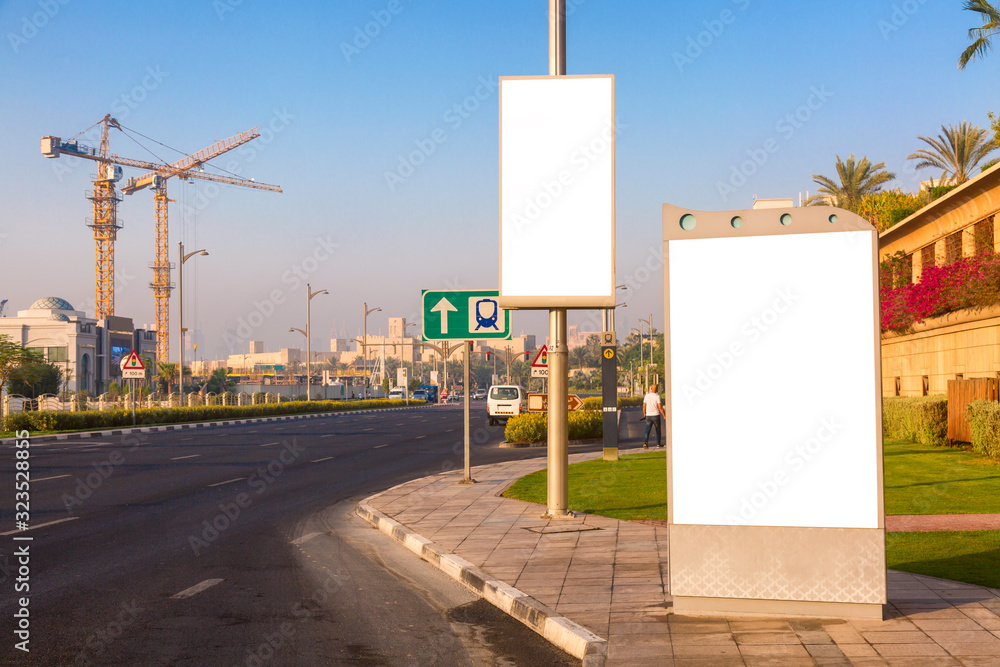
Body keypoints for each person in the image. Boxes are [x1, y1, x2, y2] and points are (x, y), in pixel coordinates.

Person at [642, 383, 666, 449]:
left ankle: (645, 442)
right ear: (657, 389)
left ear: (651, 389)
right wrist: (664, 415)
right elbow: (660, 407)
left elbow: (644, 406)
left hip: (648, 415)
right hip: (656, 415)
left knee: (647, 430)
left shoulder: (646, 396)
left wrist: (644, 413)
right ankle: (658, 444)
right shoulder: (657, 397)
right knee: (658, 430)